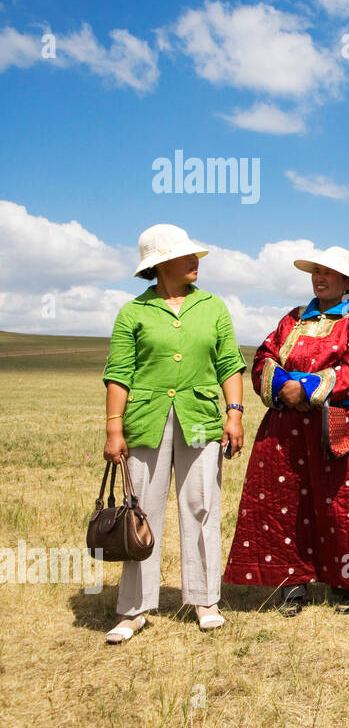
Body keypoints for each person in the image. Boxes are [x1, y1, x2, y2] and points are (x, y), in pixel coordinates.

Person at [223, 247, 349, 615]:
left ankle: (348, 584)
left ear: (348, 283)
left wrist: (306, 389)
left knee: (342, 504)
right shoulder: (293, 319)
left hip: (338, 423)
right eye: (316, 272)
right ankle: (293, 583)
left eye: (328, 274)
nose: (320, 278)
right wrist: (286, 388)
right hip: (288, 426)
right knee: (286, 501)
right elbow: (265, 358)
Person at [101, 224, 246, 643]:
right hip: (145, 418)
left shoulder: (213, 307)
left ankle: (204, 600)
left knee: (201, 503)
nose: (195, 260)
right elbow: (118, 374)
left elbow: (228, 364)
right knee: (140, 511)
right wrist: (114, 429)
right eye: (186, 256)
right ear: (161, 264)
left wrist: (233, 414)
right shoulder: (133, 312)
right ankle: (134, 609)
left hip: (199, 414)